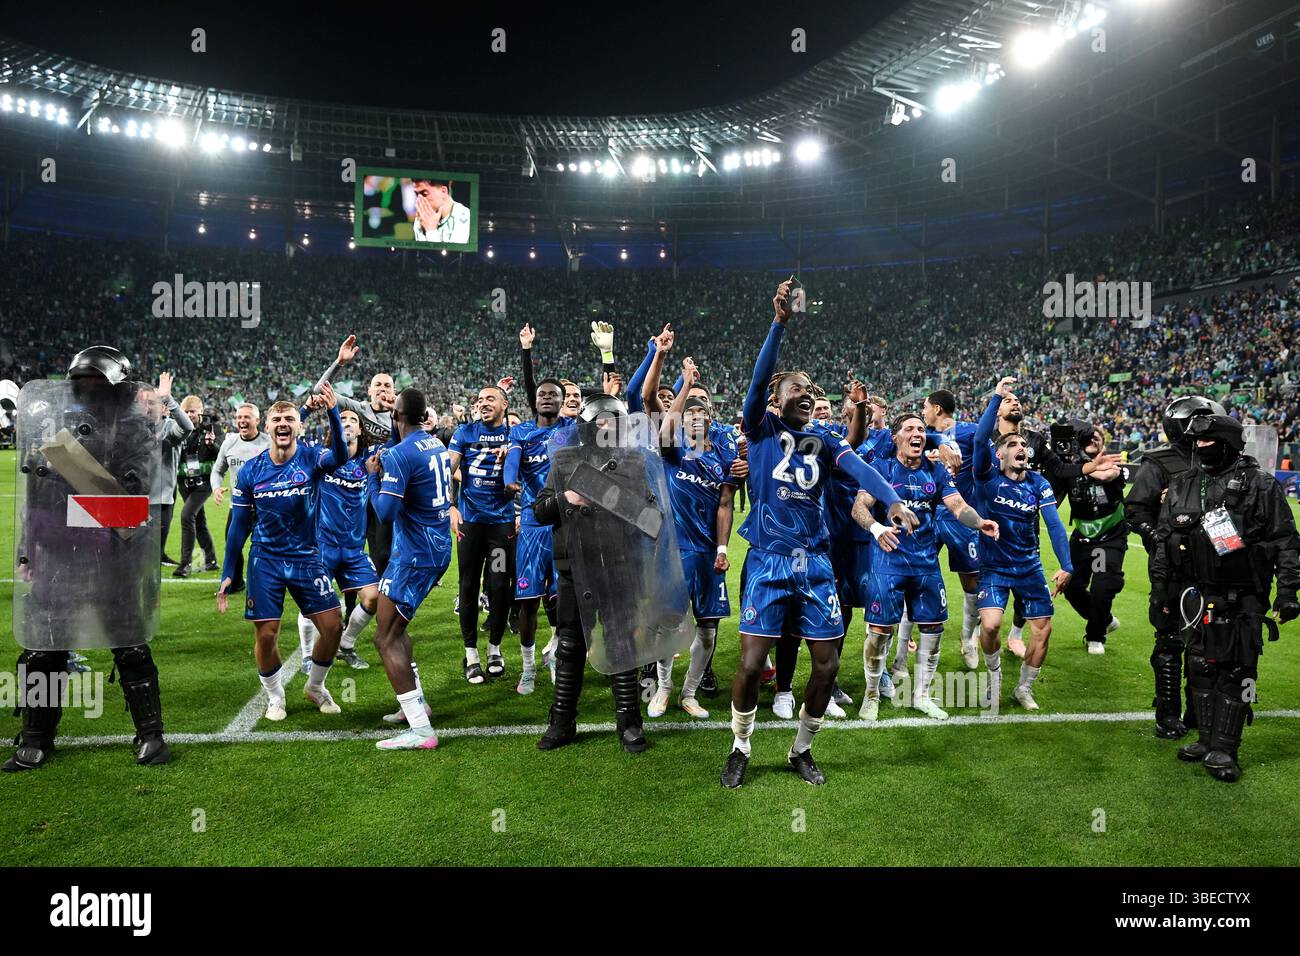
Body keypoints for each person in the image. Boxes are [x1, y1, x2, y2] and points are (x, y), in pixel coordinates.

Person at [722, 281, 915, 789]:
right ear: (775, 400)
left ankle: (801, 749)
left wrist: (892, 499)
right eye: (796, 389)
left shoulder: (826, 439)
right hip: (767, 559)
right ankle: (741, 745)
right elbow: (760, 378)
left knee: (827, 666)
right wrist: (779, 323)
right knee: (750, 661)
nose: (806, 395)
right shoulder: (760, 428)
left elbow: (860, 470)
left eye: (810, 390)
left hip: (816, 562)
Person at [6, 346, 171, 771]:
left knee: (129, 644)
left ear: (118, 389)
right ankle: (36, 736)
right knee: (44, 648)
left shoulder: (135, 430)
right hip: (59, 552)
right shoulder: (52, 424)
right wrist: (28, 546)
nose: (91, 391)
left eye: (99, 384)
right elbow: (36, 497)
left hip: (114, 553)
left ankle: (151, 734)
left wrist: (74, 469)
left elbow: (133, 499)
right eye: (84, 383)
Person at [1149, 413, 1299, 781]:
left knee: (1237, 669)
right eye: (1196, 443)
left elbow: (1285, 539)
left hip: (1244, 592)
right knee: (1200, 666)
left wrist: (1289, 591)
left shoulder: (1261, 484)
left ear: (1229, 443)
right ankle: (1205, 738)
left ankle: (1225, 748)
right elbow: (1165, 542)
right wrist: (1160, 590)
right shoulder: (1184, 484)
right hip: (1195, 592)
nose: (1199, 448)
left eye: (1206, 442)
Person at [216, 386, 348, 721]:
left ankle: (315, 687)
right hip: (267, 559)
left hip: (307, 556)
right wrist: (228, 570)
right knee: (266, 633)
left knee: (333, 626)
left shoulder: (313, 458)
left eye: (290, 418)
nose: (283, 423)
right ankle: (275, 696)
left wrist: (333, 412)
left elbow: (341, 457)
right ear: (268, 427)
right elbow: (239, 526)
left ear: (299, 426)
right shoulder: (250, 471)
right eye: (277, 418)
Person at [854, 412, 997, 721]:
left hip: (926, 565)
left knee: (933, 632)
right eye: (909, 429)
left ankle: (921, 695)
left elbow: (958, 506)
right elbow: (859, 507)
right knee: (879, 633)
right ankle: (872, 694)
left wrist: (979, 522)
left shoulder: (936, 473)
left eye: (921, 428)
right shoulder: (880, 469)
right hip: (887, 562)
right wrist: (876, 529)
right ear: (896, 437)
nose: (916, 433)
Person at [1126, 395, 1227, 738]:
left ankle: (1199, 711)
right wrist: (1161, 541)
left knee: (1207, 641)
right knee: (1169, 641)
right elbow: (1136, 511)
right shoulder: (1159, 462)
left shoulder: (1224, 462)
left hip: (1212, 565)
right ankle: (1168, 714)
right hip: (1171, 567)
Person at [972, 377, 1074, 712]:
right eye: (1012, 445)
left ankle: (1024, 688)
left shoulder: (1038, 482)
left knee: (1043, 630)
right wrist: (996, 397)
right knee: (990, 626)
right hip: (994, 567)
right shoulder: (987, 477)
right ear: (999, 454)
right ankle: (994, 675)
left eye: (1023, 445)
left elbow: (1055, 525)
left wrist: (1066, 565)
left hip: (1029, 566)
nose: (1021, 448)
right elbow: (977, 439)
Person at [646, 353, 739, 719]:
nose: (696, 417)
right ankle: (664, 688)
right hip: (673, 550)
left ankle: (689, 692)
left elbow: (725, 505)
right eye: (690, 414)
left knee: (708, 631)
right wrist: (685, 384)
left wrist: (721, 548)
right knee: (669, 623)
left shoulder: (722, 460)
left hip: (706, 554)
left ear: (710, 421)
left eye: (703, 414)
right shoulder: (674, 452)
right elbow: (666, 427)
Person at [367, 388, 456, 750]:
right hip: (436, 549)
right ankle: (416, 704)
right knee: (397, 629)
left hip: (413, 557)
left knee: (385, 637)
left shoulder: (400, 455)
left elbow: (385, 514)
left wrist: (374, 476)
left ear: (396, 417)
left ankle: (421, 730)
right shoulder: (433, 444)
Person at [294, 405, 378, 671]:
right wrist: (306, 409)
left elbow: (398, 441)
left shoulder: (371, 459)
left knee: (374, 598)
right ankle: (308, 655)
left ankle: (347, 644)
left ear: (362, 429)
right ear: (334, 426)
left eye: (354, 419)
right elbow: (293, 430)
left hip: (354, 548)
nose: (349, 423)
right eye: (342, 419)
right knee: (312, 601)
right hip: (322, 546)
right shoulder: (321, 458)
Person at [447, 384, 519, 688]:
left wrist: (511, 466)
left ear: (504, 404)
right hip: (471, 525)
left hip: (501, 525)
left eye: (490, 398)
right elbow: (448, 468)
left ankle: (494, 649)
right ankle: (471, 653)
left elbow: (522, 479)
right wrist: (450, 506)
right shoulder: (464, 433)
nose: (483, 403)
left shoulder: (515, 436)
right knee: (467, 585)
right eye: (480, 399)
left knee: (501, 584)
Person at [1059, 420, 1126, 654]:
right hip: (1083, 536)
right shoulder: (1069, 468)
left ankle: (1095, 636)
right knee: (1071, 587)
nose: (1093, 440)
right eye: (1088, 437)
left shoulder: (1113, 465)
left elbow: (1107, 476)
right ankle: (1105, 620)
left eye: (1097, 437)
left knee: (1101, 586)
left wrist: (1086, 465)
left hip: (1108, 538)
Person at [211, 402, 270, 594]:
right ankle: (235, 582)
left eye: (246, 417)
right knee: (232, 546)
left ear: (257, 420)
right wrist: (216, 487)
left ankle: (267, 585)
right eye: (239, 417)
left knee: (264, 548)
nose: (242, 421)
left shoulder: (268, 442)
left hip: (265, 508)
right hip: (237, 507)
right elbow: (218, 470)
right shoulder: (229, 443)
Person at [147, 372, 192, 566]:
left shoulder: (169, 428)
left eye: (153, 403)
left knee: (153, 557)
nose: (148, 407)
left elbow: (188, 427)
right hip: (133, 499)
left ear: (163, 407)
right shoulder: (132, 427)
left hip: (161, 501)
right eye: (146, 403)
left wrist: (169, 398)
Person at [173, 395, 221, 577]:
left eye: (192, 411)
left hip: (204, 482)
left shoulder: (212, 427)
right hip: (184, 482)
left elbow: (221, 453)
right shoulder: (180, 427)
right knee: (199, 521)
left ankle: (185, 564)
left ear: (200, 411)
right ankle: (211, 560)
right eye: (185, 412)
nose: (189, 415)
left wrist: (212, 443)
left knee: (186, 516)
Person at [410, 178, 471, 244]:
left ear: (443, 192)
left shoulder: (466, 217)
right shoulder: (421, 219)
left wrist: (431, 230)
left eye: (424, 194)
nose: (418, 201)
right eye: (416, 194)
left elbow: (453, 254)